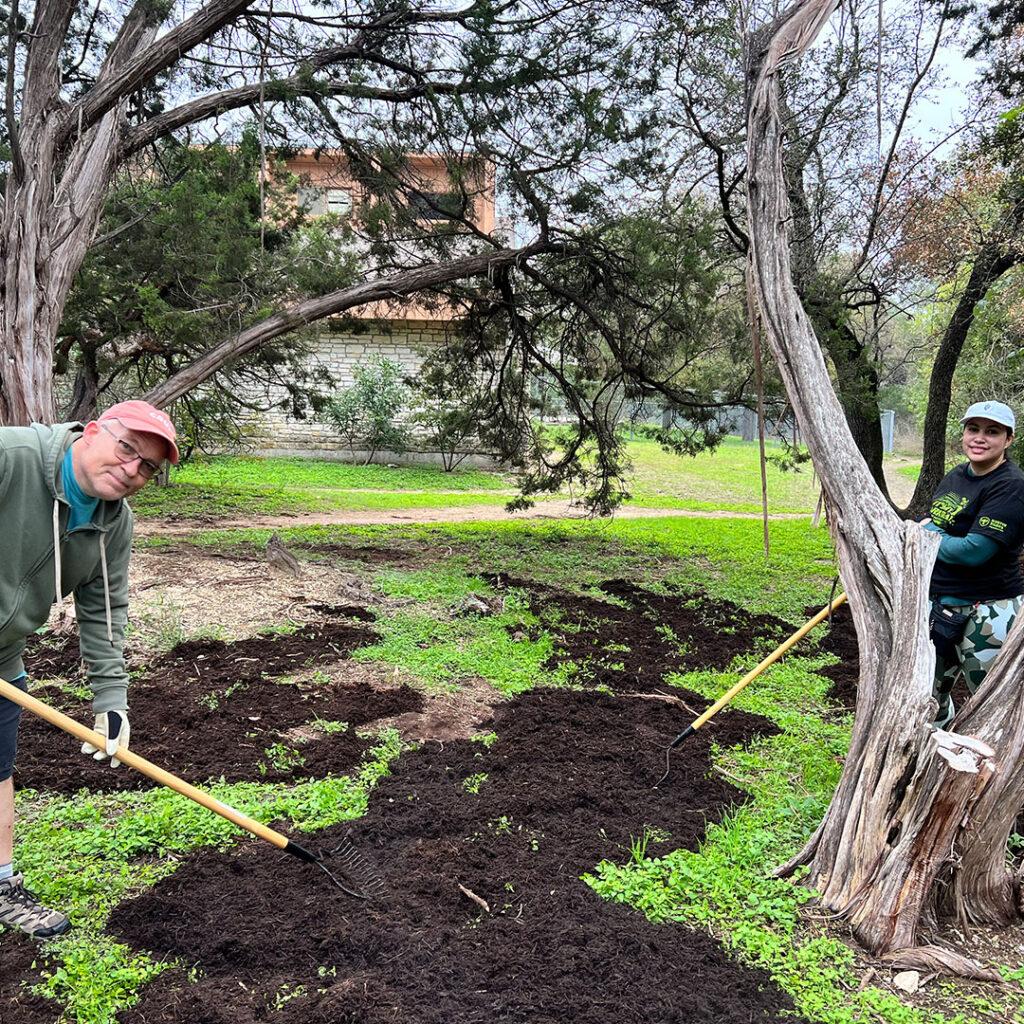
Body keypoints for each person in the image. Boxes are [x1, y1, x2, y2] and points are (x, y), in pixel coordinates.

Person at [0, 401, 178, 938]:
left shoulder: (113, 523)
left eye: (147, 467)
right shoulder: (12, 457)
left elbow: (102, 612)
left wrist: (112, 703)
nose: (132, 470)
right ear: (94, 431)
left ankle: (1, 885)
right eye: (127, 449)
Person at [926, 400, 1024, 729]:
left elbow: (973, 551)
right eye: (973, 429)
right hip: (940, 606)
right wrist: (934, 532)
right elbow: (941, 523)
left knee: (992, 702)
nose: (980, 438)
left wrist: (927, 535)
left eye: (992, 431)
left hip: (990, 613)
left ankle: (994, 775)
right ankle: (931, 764)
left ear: (1008, 440)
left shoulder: (1011, 486)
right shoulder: (956, 476)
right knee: (928, 696)